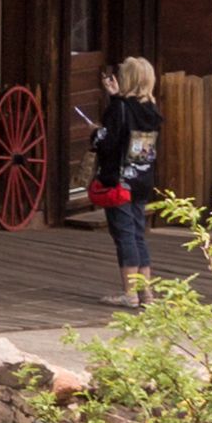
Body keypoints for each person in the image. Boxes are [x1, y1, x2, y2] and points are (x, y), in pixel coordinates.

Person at [91, 56, 164, 307]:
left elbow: (106, 142)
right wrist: (115, 97)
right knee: (138, 234)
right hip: (142, 178)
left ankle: (130, 294)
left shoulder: (119, 109)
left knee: (124, 235)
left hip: (120, 182)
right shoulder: (151, 109)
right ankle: (147, 293)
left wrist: (95, 133)